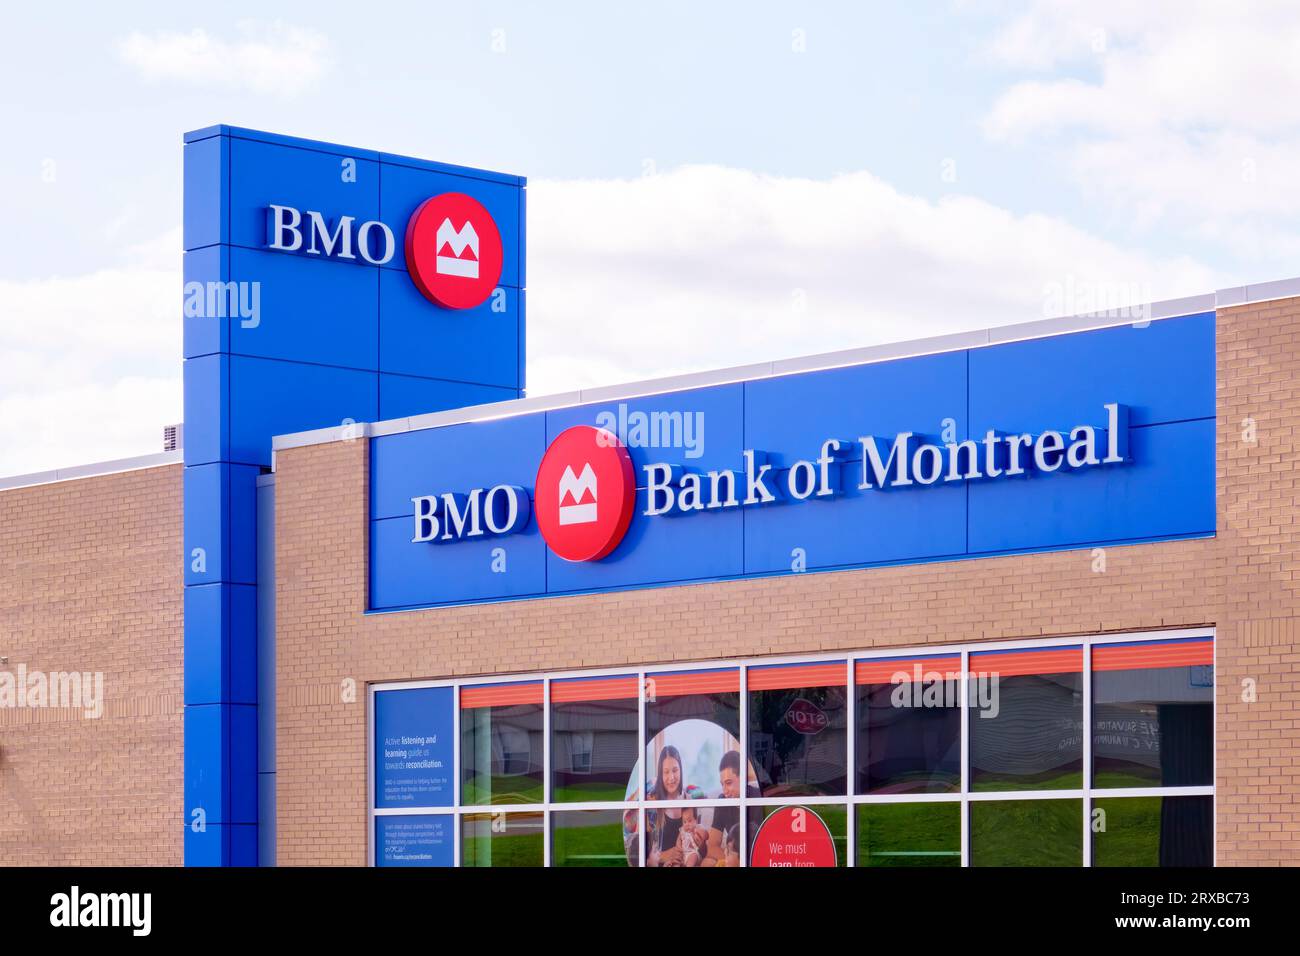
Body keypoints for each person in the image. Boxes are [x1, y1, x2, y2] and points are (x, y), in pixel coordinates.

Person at [647, 745, 686, 867]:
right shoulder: (652, 802)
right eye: (666, 772)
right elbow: (643, 850)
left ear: (680, 770)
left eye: (675, 770)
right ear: (661, 774)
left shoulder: (688, 800)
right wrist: (665, 855)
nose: (671, 777)